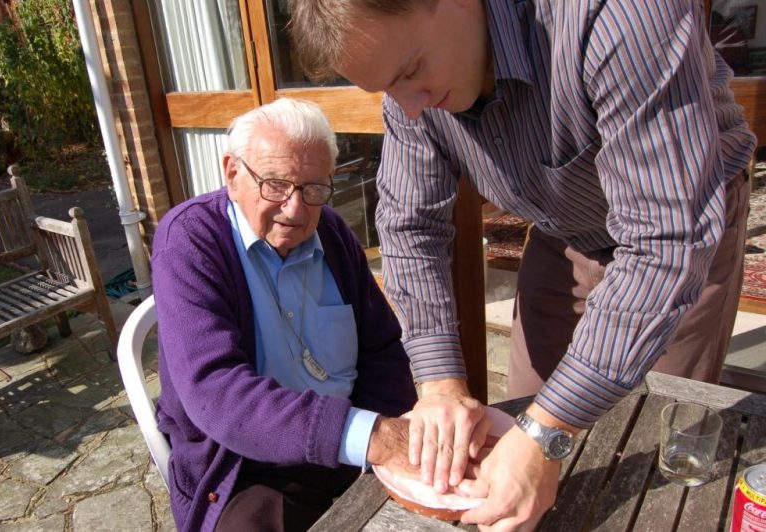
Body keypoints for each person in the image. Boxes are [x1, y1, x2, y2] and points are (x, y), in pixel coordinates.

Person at [287, 0, 756, 529]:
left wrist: (547, 431)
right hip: (563, 227)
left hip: (682, 231)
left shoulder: (619, 16)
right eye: (388, 90)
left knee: (655, 437)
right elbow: (411, 226)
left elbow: (664, 242)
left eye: (412, 71)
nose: (410, 108)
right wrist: (441, 384)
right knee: (517, 434)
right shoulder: (411, 98)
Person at [151, 98, 418, 532]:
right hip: (248, 465)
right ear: (232, 172)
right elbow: (216, 392)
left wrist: (386, 429)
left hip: (352, 439)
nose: (295, 209)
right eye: (275, 184)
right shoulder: (188, 240)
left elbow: (381, 346)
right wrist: (369, 437)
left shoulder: (330, 231)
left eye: (314, 188)